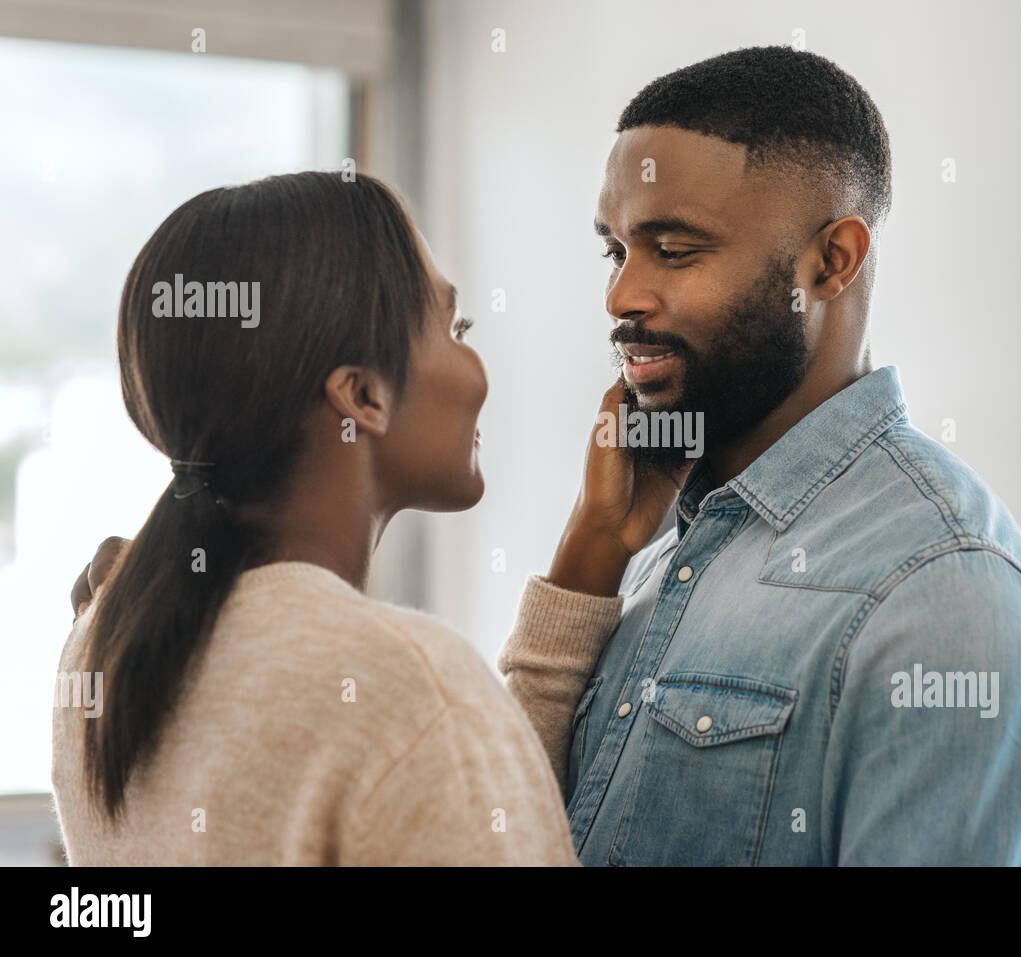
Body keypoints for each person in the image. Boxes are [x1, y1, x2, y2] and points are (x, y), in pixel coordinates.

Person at [496, 46, 1021, 865]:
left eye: (673, 250)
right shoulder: (653, 540)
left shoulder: (948, 599)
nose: (621, 297)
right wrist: (590, 554)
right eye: (616, 250)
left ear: (830, 261)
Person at [55, 171, 682, 865]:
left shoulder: (103, 646)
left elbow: (427, 807)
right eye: (454, 327)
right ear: (363, 395)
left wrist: (595, 541)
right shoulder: (404, 682)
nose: (477, 364)